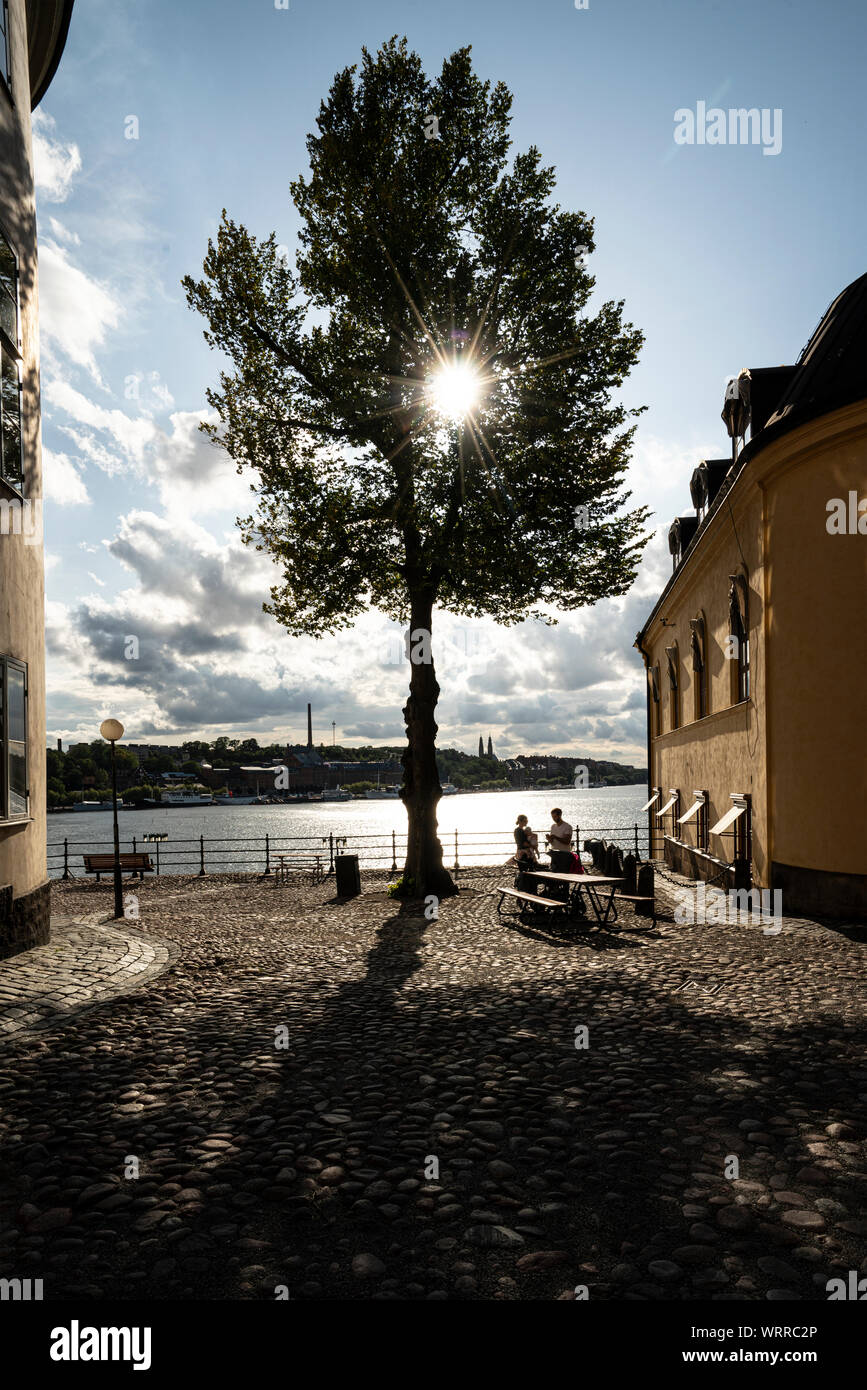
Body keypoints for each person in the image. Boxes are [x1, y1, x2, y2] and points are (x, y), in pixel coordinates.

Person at [546, 808, 574, 873]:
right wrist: (549, 839)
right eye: (552, 817)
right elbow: (552, 841)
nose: (553, 818)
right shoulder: (553, 826)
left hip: (564, 854)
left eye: (555, 816)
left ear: (560, 815)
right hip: (554, 854)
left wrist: (555, 837)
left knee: (564, 875)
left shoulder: (567, 826)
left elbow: (567, 842)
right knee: (554, 874)